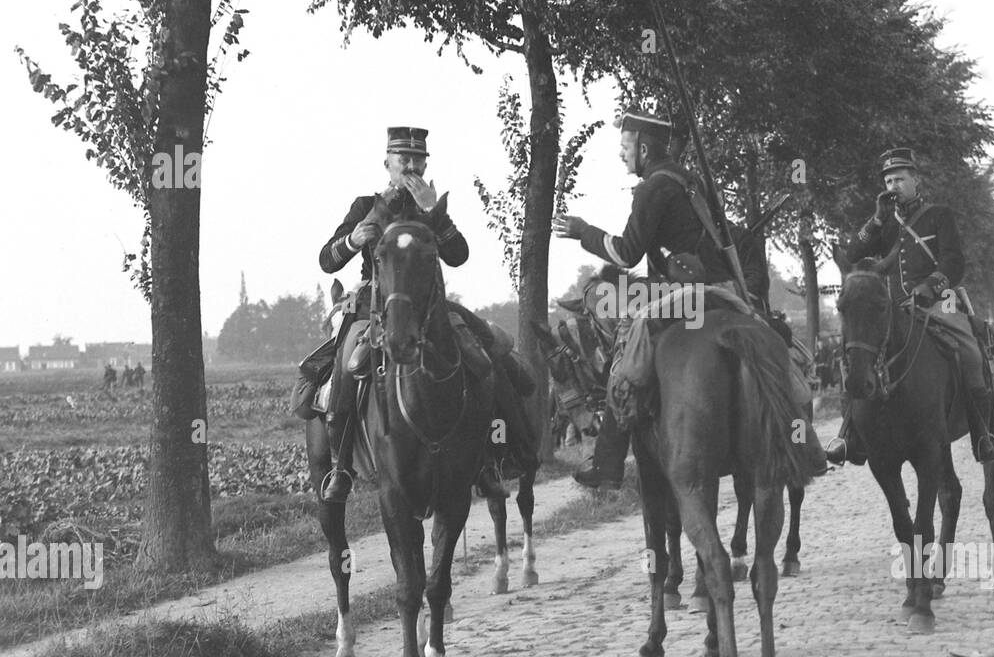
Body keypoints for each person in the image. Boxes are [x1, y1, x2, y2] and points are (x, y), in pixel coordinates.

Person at [553, 108, 825, 488]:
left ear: (644, 149)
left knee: (623, 364)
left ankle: (607, 464)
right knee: (775, 346)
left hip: (682, 297)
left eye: (624, 146)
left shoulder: (651, 188)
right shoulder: (690, 180)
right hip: (722, 292)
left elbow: (626, 253)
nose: (621, 154)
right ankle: (806, 444)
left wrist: (584, 231)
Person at [317, 125, 534, 503]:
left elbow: (459, 255)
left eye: (419, 159)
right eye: (405, 160)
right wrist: (355, 239)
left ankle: (493, 456)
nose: (413, 167)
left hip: (430, 303)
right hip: (376, 304)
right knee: (349, 361)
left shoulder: (430, 206)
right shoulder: (364, 205)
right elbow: (326, 260)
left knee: (483, 355)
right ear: (388, 163)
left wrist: (436, 212)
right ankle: (341, 465)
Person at [826, 147, 994, 465]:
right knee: (853, 353)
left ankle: (982, 435)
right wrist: (877, 219)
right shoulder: (885, 223)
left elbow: (954, 261)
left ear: (915, 180)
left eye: (900, 179)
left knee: (970, 352)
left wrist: (927, 288)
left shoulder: (939, 215)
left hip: (937, 303)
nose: (894, 186)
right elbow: (853, 255)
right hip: (893, 308)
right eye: (889, 180)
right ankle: (849, 434)